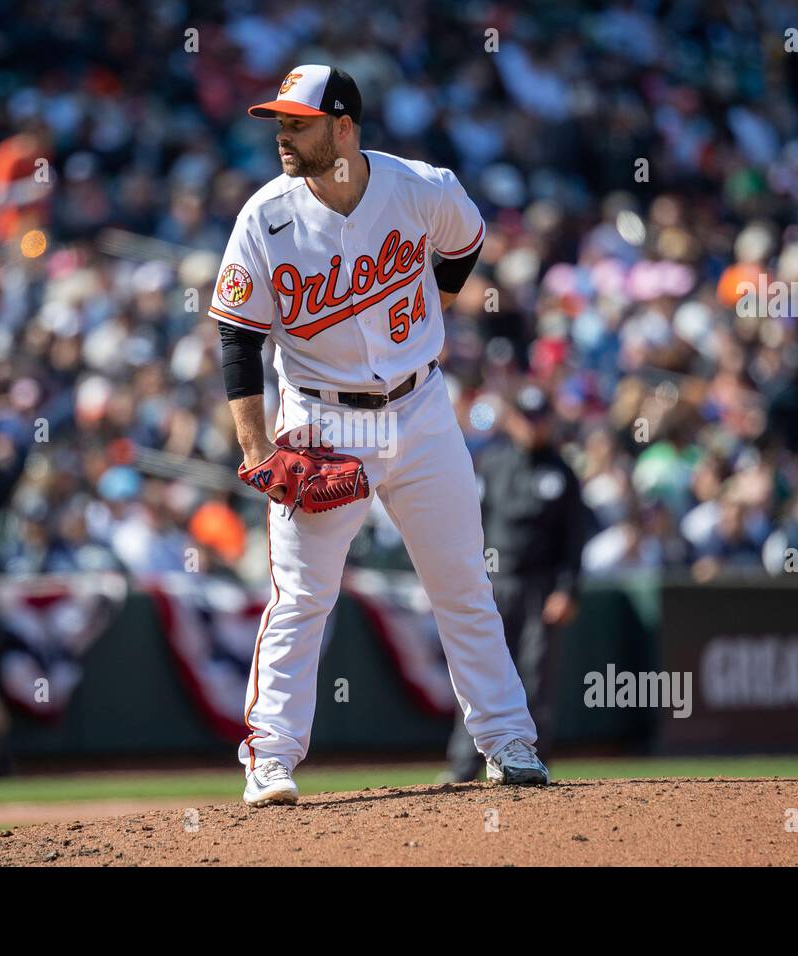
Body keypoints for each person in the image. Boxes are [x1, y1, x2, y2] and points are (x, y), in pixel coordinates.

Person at [210, 64, 549, 807]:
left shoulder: (417, 186)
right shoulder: (264, 218)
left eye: (297, 123)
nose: (283, 138)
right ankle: (270, 758)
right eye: (279, 124)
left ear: (344, 128)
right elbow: (238, 339)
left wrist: (439, 301)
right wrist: (256, 448)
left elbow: (467, 239)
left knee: (462, 581)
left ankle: (507, 740)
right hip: (322, 419)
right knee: (302, 595)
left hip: (421, 406)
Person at [440, 384, 586, 783]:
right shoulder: (493, 462)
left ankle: (532, 759)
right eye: (526, 418)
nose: (532, 427)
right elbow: (473, 521)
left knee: (535, 676)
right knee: (477, 669)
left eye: (540, 419)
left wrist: (568, 589)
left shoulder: (562, 471)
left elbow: (574, 540)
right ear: (513, 419)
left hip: (540, 586)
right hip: (493, 583)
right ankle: (463, 765)